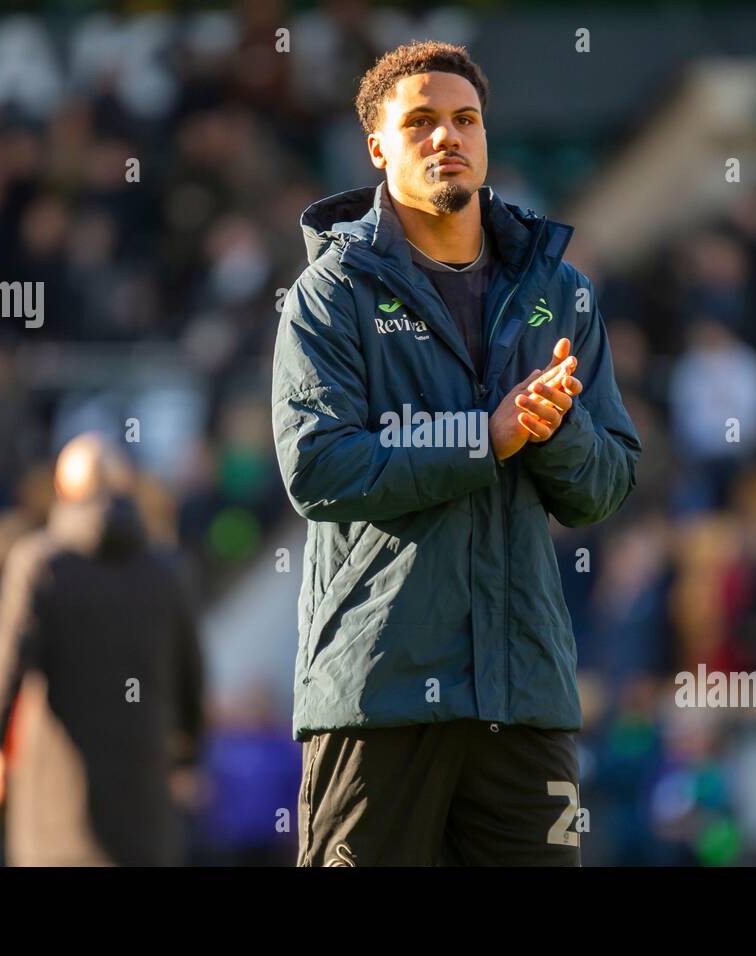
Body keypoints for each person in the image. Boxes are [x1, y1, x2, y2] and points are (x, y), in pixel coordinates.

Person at [271, 41, 641, 866]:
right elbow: (319, 468)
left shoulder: (560, 292)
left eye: (465, 120)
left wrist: (555, 427)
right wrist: (487, 437)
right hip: (379, 695)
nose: (449, 137)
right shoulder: (329, 295)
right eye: (422, 123)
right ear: (379, 149)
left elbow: (605, 485)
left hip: (524, 696)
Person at [0, 433, 204, 865]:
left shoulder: (40, 563)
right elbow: (192, 674)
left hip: (56, 799)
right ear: (127, 490)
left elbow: (5, 660)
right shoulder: (168, 572)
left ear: (62, 491)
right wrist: (188, 756)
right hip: (144, 795)